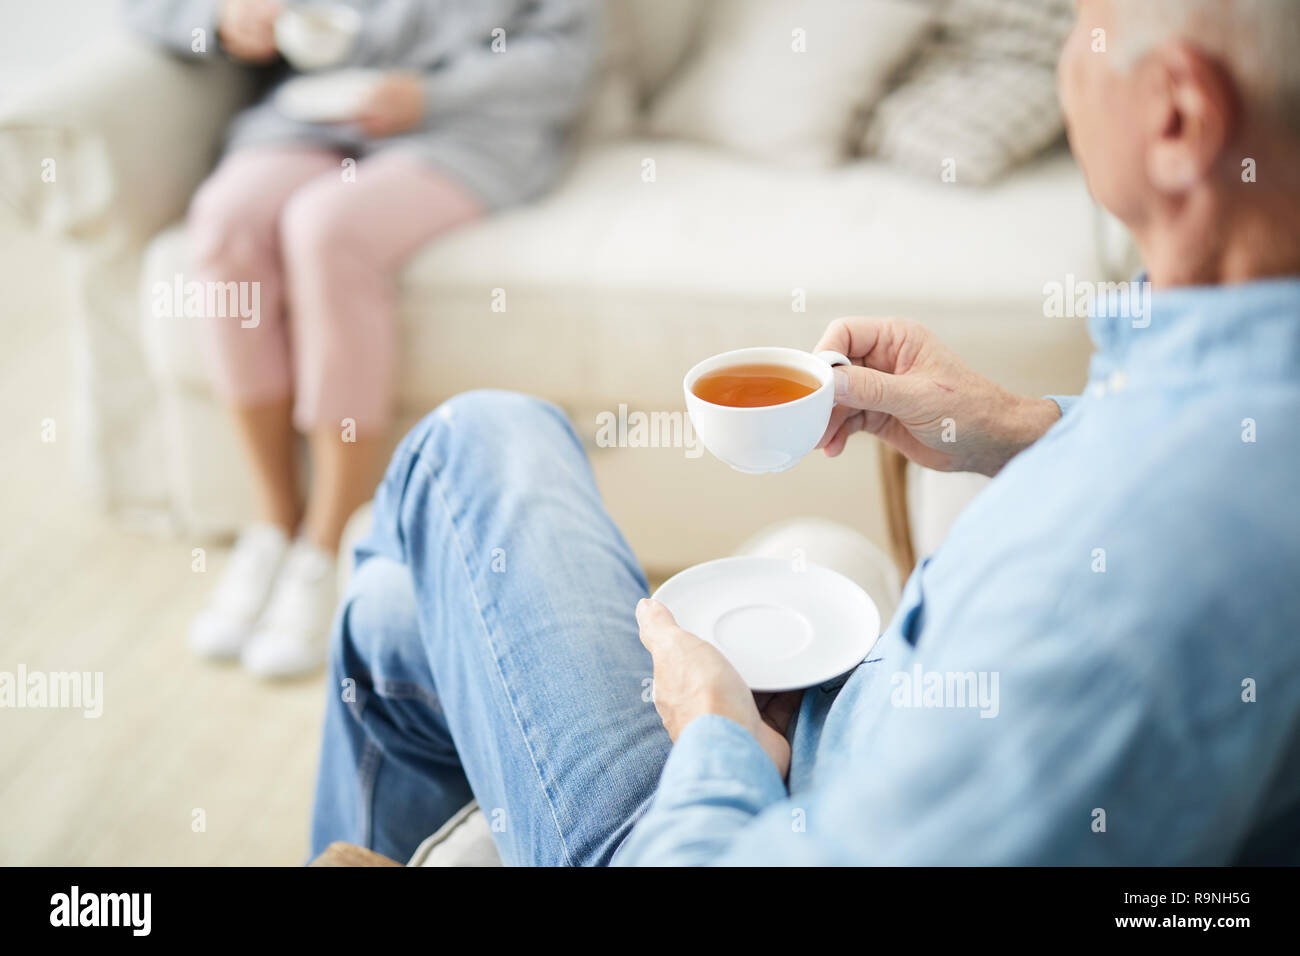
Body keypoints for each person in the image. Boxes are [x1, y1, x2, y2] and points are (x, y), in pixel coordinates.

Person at [310, 0, 1300, 864]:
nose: (1067, 60)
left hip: (740, 820)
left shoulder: (1132, 580)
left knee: (480, 439)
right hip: (850, 731)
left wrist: (714, 737)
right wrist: (1015, 426)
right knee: (388, 621)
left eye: (1087, 25)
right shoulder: (1239, 399)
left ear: (1177, 116)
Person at [125, 0, 600, 677]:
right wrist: (220, 18)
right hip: (308, 117)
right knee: (226, 223)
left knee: (327, 231)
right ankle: (273, 525)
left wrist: (433, 95)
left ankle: (327, 546)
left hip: (465, 129)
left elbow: (565, 60)